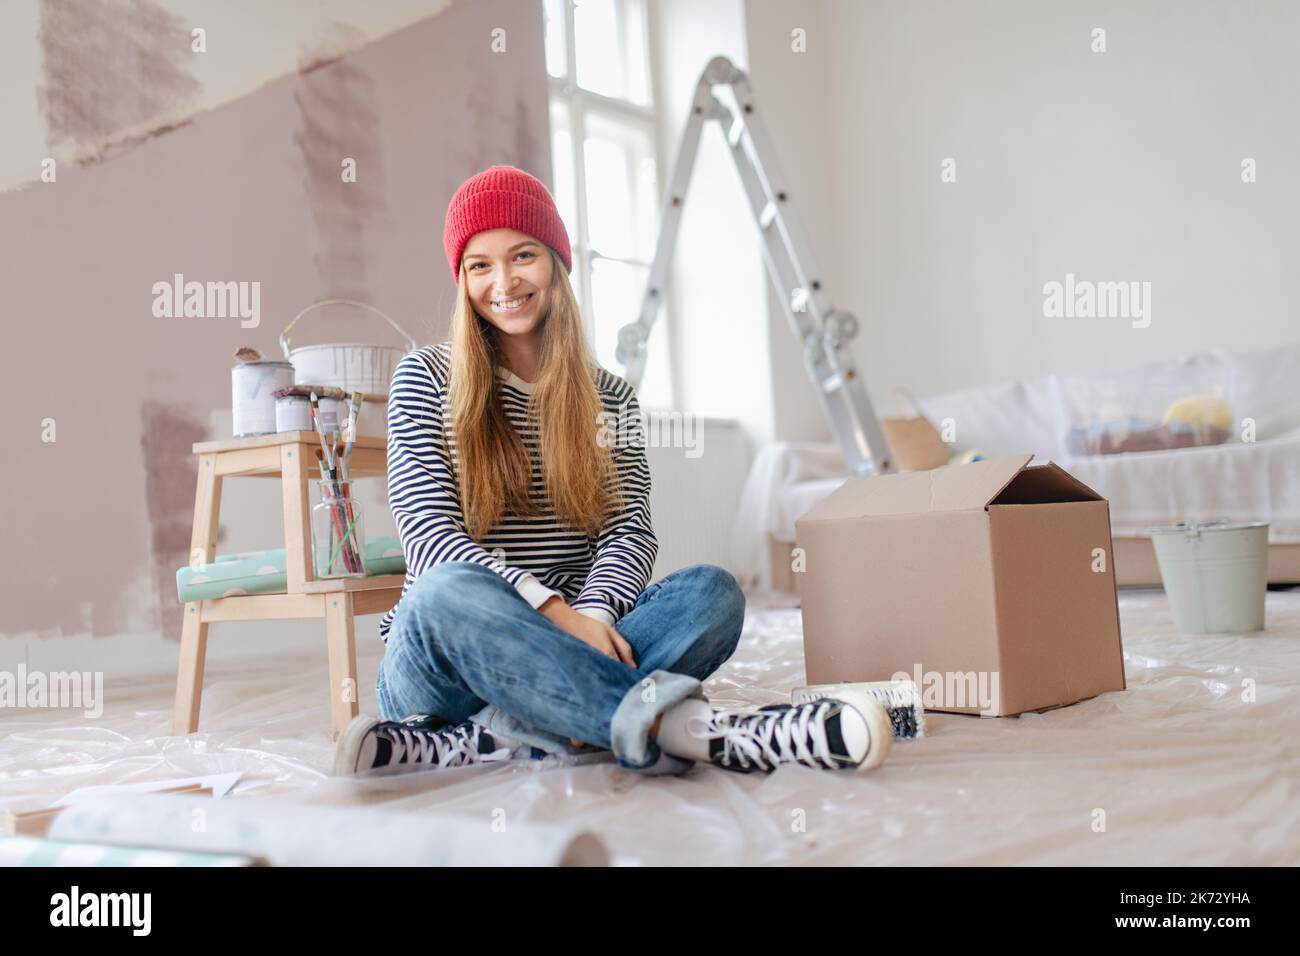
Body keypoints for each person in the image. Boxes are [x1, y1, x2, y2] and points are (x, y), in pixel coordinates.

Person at [334, 165, 889, 777]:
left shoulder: (613, 398)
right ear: (462, 281)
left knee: (711, 592)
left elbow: (629, 531)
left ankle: (512, 734)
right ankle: (703, 733)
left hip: (583, 632)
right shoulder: (425, 376)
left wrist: (593, 617)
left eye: (523, 255)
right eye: (479, 265)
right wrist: (556, 616)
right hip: (450, 662)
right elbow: (430, 539)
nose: (504, 281)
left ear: (557, 264)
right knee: (445, 592)